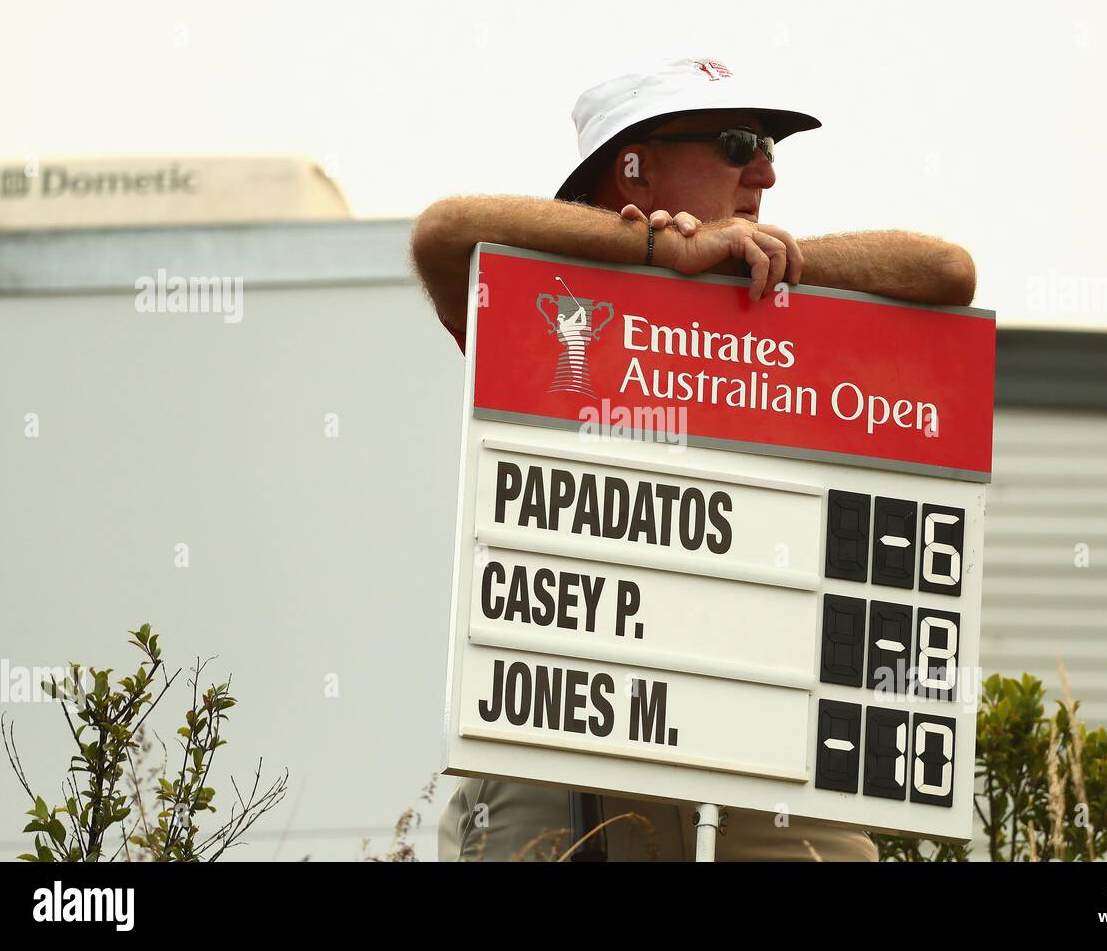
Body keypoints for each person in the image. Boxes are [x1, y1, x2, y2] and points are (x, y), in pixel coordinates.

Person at [412, 56, 977, 862]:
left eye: (771, 145)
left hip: (766, 767)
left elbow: (947, 273)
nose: (767, 171)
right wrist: (650, 250)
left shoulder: (773, 312)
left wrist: (747, 261)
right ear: (631, 165)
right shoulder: (543, 309)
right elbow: (444, 231)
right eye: (738, 142)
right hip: (566, 758)